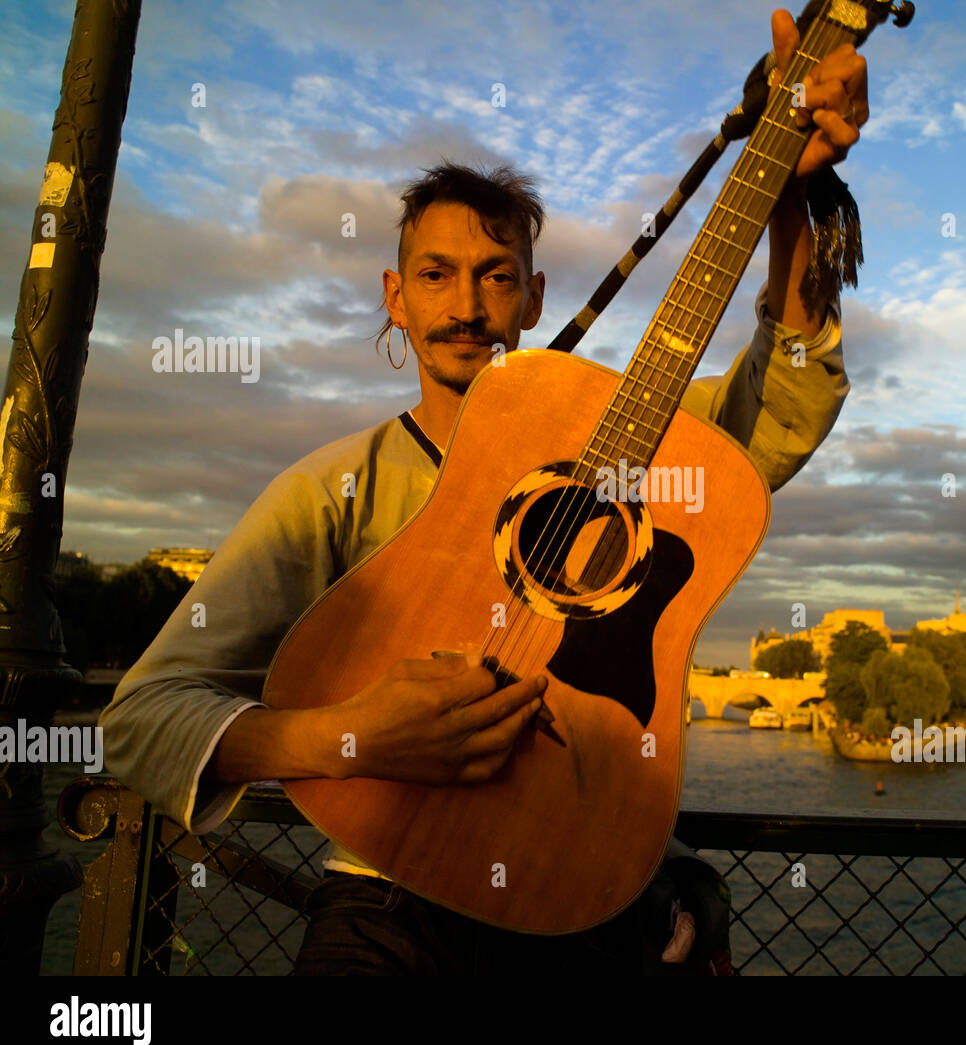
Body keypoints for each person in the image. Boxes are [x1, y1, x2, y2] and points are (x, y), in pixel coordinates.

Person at [101, 9, 868, 974]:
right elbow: (137, 721)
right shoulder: (335, 492)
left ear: (534, 299)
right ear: (396, 296)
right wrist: (353, 738)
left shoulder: (624, 451)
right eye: (437, 275)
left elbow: (787, 398)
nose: (465, 306)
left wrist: (791, 199)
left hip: (583, 884)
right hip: (389, 894)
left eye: (495, 278)